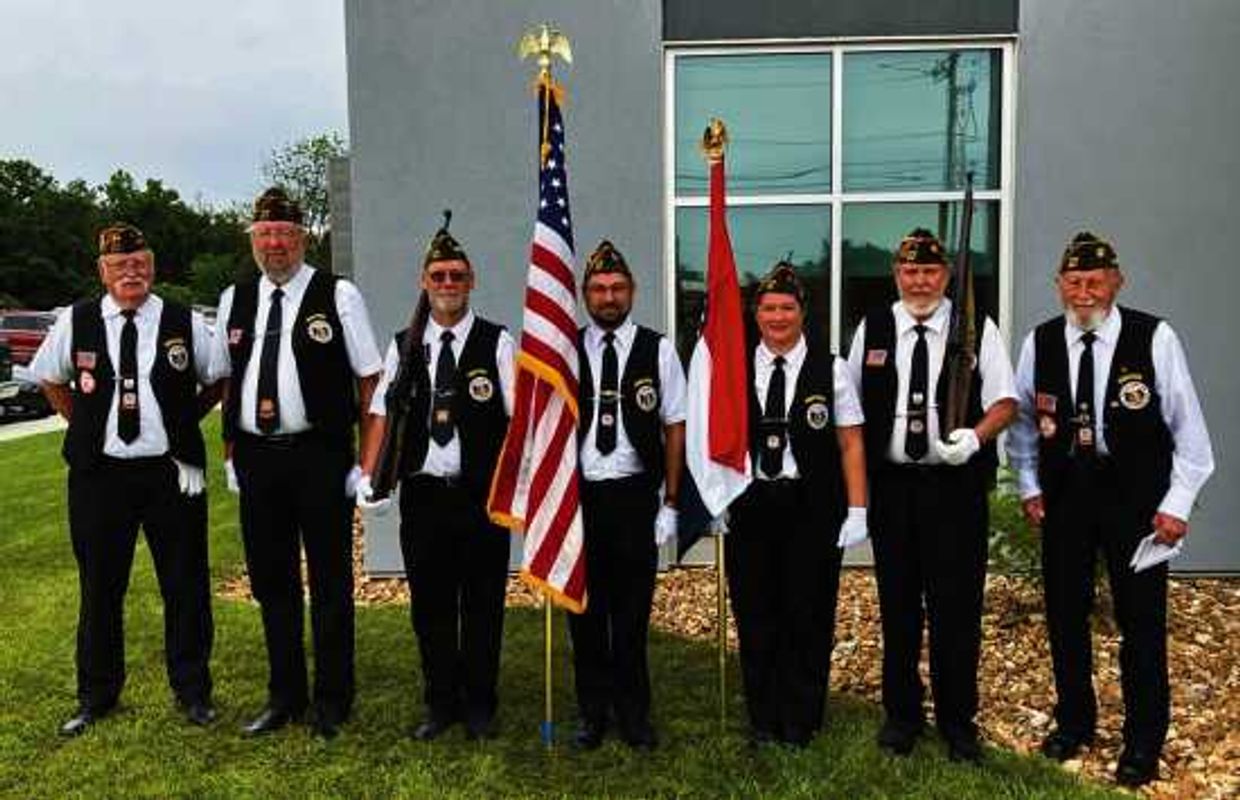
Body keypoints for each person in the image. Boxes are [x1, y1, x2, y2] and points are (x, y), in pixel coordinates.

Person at [1007, 231, 1214, 788]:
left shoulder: (1154, 336)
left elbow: (1190, 433)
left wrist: (1176, 505)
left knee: (1141, 622)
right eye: (1073, 282)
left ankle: (1143, 739)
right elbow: (1024, 421)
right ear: (1059, 286)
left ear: (1116, 281)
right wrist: (1029, 485)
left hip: (1135, 502)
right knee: (1065, 616)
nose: (1083, 292)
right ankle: (1075, 722)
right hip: (1067, 497)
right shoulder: (1041, 342)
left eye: (1094, 280)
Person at [32, 223, 220, 735]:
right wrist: (87, 425)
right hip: (100, 475)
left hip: (173, 471)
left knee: (184, 583)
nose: (130, 272)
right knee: (100, 586)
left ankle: (193, 692)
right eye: (120, 265)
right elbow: (50, 377)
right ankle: (97, 696)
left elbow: (216, 376)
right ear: (103, 271)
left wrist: (183, 418)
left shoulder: (184, 320)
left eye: (139, 263)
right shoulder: (77, 319)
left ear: (153, 267)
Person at [210, 187, 383, 739]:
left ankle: (333, 699)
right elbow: (227, 380)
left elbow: (370, 381)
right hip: (259, 459)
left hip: (319, 455)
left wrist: (367, 461)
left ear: (302, 238)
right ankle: (285, 695)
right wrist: (231, 453)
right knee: (272, 580)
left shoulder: (338, 293)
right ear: (253, 240)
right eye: (265, 234)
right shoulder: (234, 298)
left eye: (285, 234)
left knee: (330, 580)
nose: (275, 244)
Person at [846, 228, 1016, 762]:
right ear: (897, 275)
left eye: (931, 272)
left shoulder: (976, 329)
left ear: (946, 276)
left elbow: (1006, 401)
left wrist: (976, 436)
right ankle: (901, 716)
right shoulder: (872, 328)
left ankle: (958, 721)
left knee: (956, 610)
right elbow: (849, 409)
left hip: (954, 491)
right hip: (893, 489)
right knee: (897, 606)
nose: (920, 281)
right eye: (910, 271)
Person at [357, 212, 515, 741]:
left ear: (471, 282)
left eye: (456, 275)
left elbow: (520, 424)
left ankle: (480, 704)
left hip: (479, 497)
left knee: (483, 604)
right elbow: (382, 412)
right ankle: (440, 703)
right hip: (423, 496)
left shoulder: (497, 343)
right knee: (430, 604)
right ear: (425, 284)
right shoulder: (404, 344)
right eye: (438, 276)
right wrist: (371, 474)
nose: (447, 284)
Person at [727, 261, 867, 748]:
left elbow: (850, 442)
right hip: (752, 506)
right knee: (755, 612)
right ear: (755, 312)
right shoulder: (735, 367)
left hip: (812, 506)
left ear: (802, 312)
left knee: (807, 614)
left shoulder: (831, 369)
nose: (778, 317)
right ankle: (763, 718)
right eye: (768, 308)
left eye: (787, 307)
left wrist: (858, 509)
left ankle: (801, 718)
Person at [569, 240, 686, 751]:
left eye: (617, 288)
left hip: (636, 497)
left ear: (632, 292)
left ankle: (634, 714)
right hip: (582, 498)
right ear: (584, 295)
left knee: (633, 615)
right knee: (586, 615)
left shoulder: (657, 349)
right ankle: (593, 712)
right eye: (598, 289)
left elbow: (675, 426)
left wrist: (672, 501)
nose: (608, 297)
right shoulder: (564, 349)